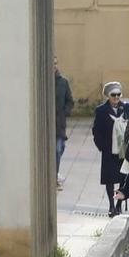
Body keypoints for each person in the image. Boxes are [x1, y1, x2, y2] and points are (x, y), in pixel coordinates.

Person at [93, 82, 129, 214]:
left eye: (118, 94)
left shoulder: (127, 108)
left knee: (123, 178)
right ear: (108, 95)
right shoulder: (101, 110)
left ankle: (119, 204)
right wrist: (102, 147)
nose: (116, 97)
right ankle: (111, 205)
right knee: (109, 179)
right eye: (113, 95)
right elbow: (96, 130)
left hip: (124, 149)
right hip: (109, 150)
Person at [53, 58, 75, 188]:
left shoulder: (63, 82)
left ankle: (54, 175)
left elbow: (69, 101)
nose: (54, 66)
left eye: (55, 63)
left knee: (58, 150)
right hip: (47, 124)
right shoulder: (43, 81)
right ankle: (52, 175)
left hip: (59, 124)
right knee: (54, 150)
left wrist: (65, 112)